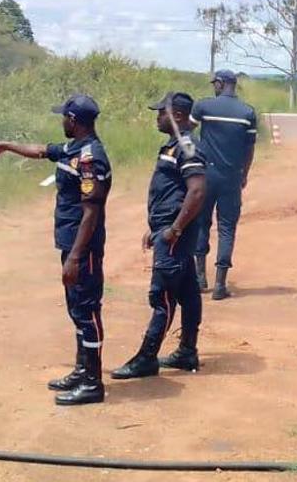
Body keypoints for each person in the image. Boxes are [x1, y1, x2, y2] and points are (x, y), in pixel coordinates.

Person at [0, 94, 112, 405]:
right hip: (70, 244)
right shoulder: (73, 149)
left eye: (63, 117)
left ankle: (93, 383)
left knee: (87, 310)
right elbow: (42, 150)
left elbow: (91, 211)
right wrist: (7, 144)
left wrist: (76, 256)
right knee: (76, 308)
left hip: (83, 248)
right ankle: (82, 370)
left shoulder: (89, 158)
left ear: (73, 120)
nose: (61, 122)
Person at [111, 93, 208, 380]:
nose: (157, 118)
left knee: (162, 294)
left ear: (176, 116)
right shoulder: (174, 146)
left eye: (160, 113)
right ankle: (187, 351)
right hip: (168, 230)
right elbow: (173, 192)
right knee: (188, 291)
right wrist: (157, 226)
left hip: (174, 234)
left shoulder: (187, 148)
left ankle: (146, 357)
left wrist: (174, 229)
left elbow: (197, 191)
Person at [191, 69, 258, 301]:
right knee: (227, 228)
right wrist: (244, 174)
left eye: (214, 84)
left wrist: (193, 159)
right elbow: (250, 149)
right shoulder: (248, 112)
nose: (214, 87)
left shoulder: (204, 107)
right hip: (232, 177)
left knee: (201, 223)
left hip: (205, 174)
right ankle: (220, 285)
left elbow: (186, 132)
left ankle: (200, 278)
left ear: (220, 84)